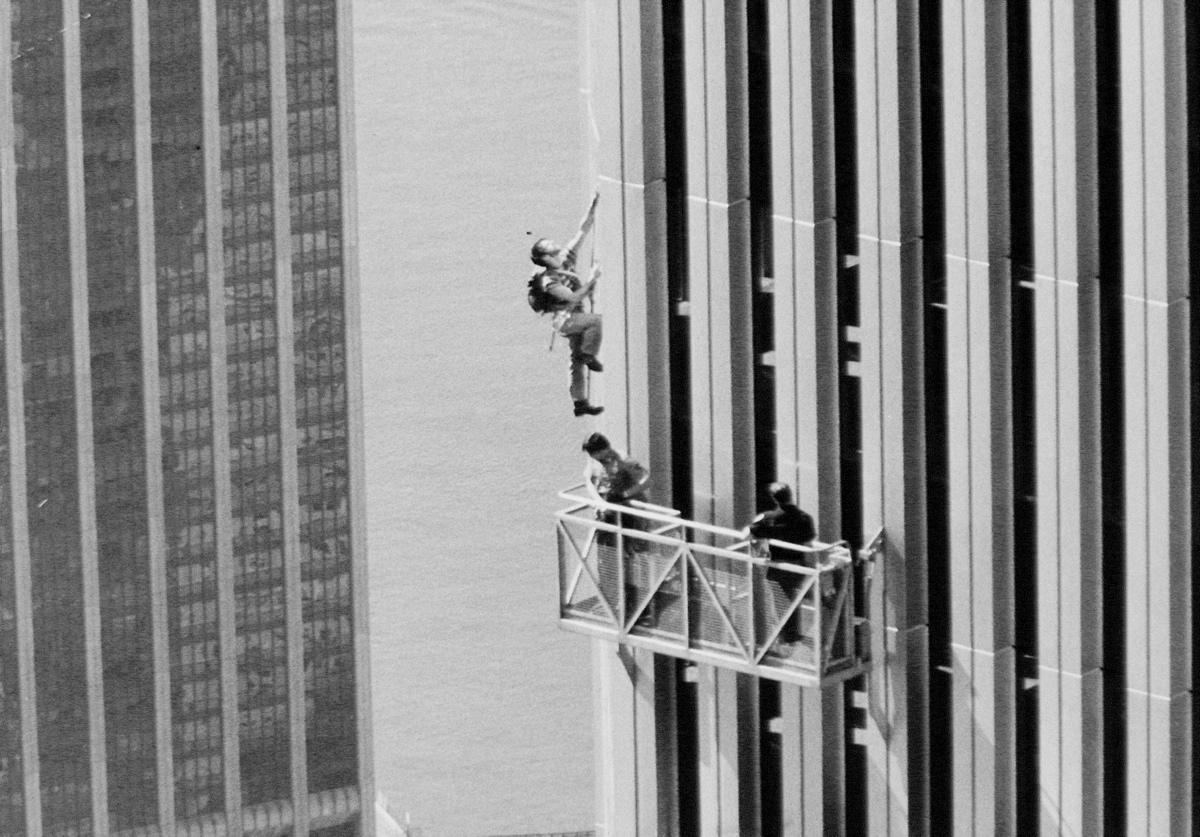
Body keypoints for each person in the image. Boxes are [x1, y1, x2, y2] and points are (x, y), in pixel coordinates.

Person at [529, 191, 604, 416]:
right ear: (545, 257)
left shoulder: (564, 260)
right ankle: (589, 354)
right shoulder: (548, 280)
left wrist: (592, 208)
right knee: (595, 324)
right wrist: (593, 278)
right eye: (551, 247)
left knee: (575, 363)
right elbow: (573, 298)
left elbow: (581, 232)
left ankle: (580, 403)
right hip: (566, 320)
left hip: (573, 316)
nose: (557, 247)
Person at [746, 482, 816, 643]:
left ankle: (786, 636)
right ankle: (790, 634)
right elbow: (808, 540)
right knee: (791, 598)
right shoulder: (804, 518)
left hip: (777, 566)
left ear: (774, 499)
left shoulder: (769, 518)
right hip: (797, 565)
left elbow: (752, 531)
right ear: (790, 496)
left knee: (781, 600)